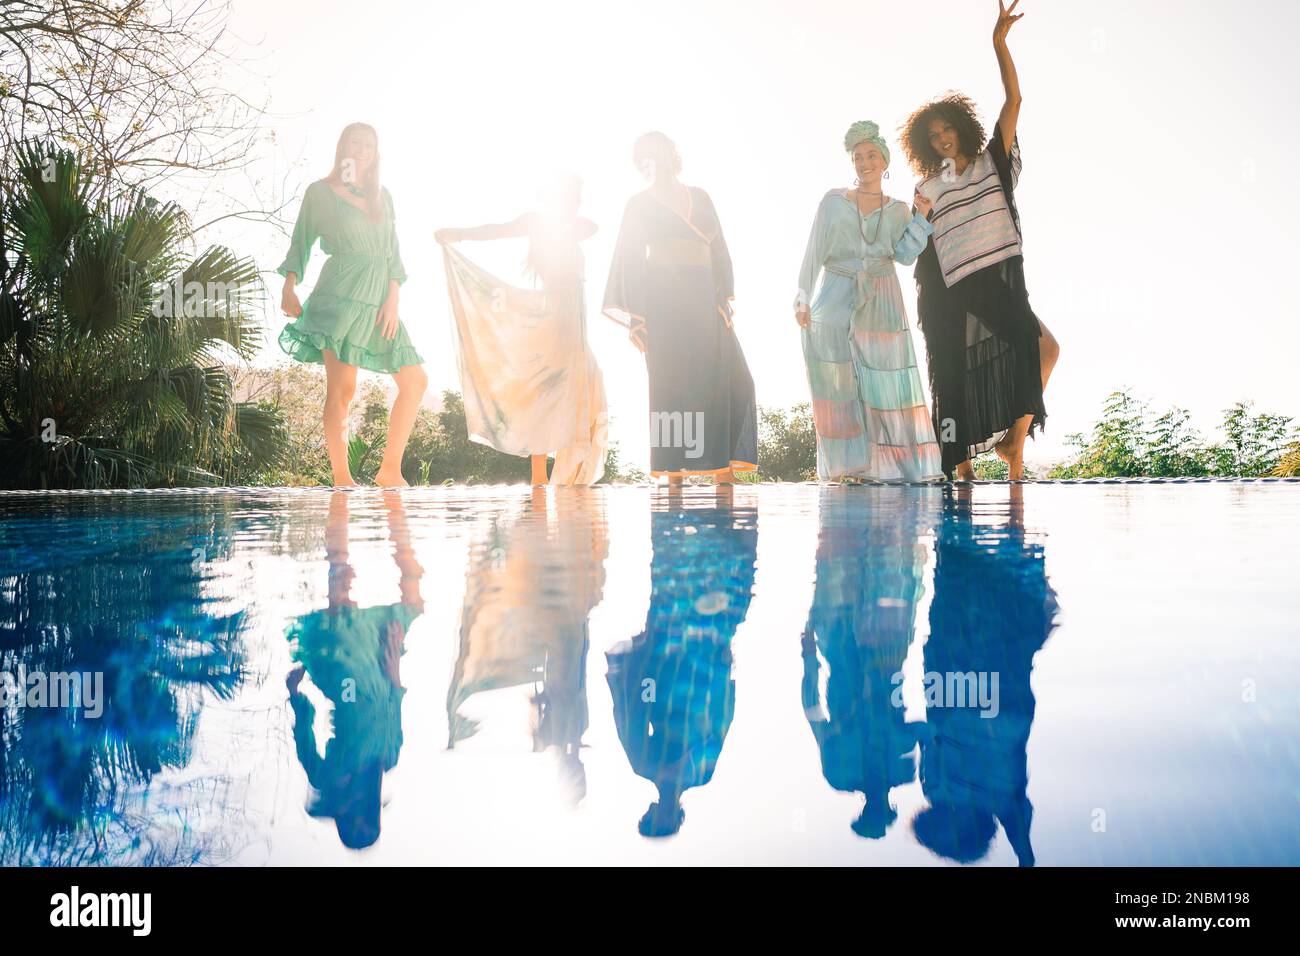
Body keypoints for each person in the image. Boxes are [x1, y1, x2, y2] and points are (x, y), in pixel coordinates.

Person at [901, 0, 1060, 480]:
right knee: (951, 380)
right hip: (947, 288)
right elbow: (912, 250)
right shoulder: (928, 187)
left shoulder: (993, 159)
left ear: (961, 127)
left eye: (947, 128)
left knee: (1044, 349)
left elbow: (1013, 102)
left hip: (994, 276)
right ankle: (961, 470)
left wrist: (999, 45)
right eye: (933, 136)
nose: (943, 139)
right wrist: (917, 215)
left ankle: (1013, 442)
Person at [278, 122, 427, 487]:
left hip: (379, 298)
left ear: (376, 153)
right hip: (340, 295)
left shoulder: (382, 195)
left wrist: (393, 297)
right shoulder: (321, 192)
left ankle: (390, 469)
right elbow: (302, 241)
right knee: (343, 389)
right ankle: (342, 477)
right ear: (342, 146)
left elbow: (392, 250)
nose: (362, 150)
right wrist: (289, 286)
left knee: (415, 380)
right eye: (355, 142)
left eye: (369, 145)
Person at [603, 132, 757, 485]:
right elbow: (628, 259)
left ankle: (722, 469)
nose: (652, 160)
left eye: (657, 152)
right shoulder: (638, 204)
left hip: (704, 297)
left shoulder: (700, 197)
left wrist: (722, 296)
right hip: (663, 299)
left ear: (672, 155)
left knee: (732, 379)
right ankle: (674, 474)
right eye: (644, 156)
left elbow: (720, 249)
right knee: (671, 382)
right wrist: (637, 318)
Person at [795, 120, 944, 481]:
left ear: (884, 161)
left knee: (884, 380)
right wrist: (801, 296)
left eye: (872, 155)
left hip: (881, 294)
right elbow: (814, 251)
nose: (864, 163)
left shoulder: (896, 210)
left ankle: (890, 468)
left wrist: (921, 217)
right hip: (835, 294)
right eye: (858, 157)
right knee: (839, 381)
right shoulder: (832, 202)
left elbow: (906, 255)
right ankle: (849, 467)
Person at [436, 174, 609, 485]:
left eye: (575, 197)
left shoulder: (573, 227)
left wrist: (565, 220)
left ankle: (571, 472)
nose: (571, 202)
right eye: (567, 196)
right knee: (547, 388)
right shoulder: (536, 222)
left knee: (587, 384)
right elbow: (496, 231)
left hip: (575, 320)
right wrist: (458, 234)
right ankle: (539, 477)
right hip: (553, 314)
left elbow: (591, 226)